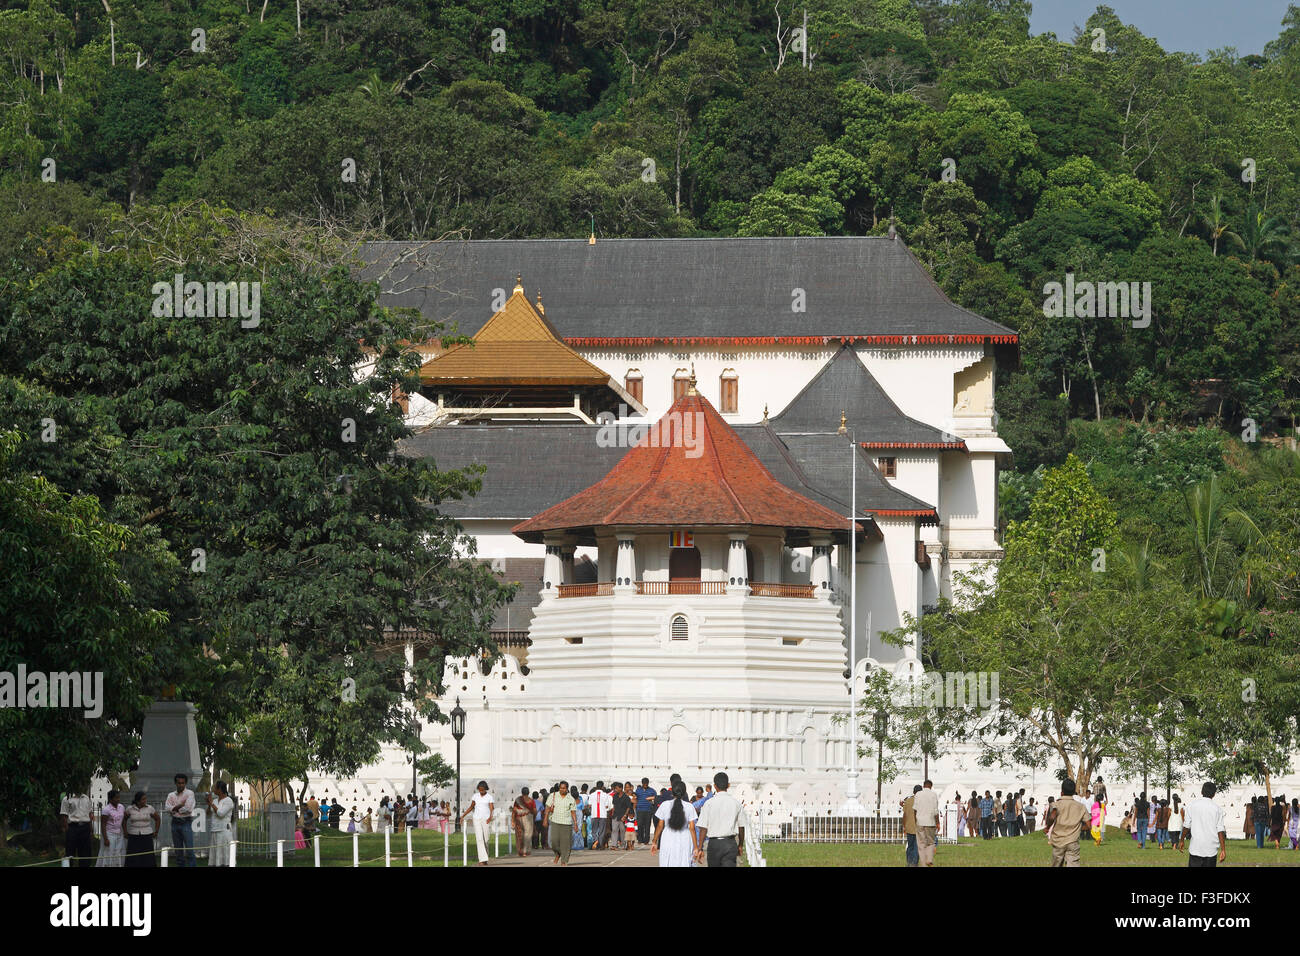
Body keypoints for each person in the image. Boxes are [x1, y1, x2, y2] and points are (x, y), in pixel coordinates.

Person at [696, 771, 745, 867]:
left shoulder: (709, 803)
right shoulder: (736, 803)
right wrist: (740, 845)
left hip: (714, 844)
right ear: (728, 785)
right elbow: (741, 827)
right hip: (729, 843)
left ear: (714, 786)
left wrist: (700, 848)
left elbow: (703, 828)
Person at [651, 781, 699, 867]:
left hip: (668, 838)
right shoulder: (689, 806)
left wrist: (654, 841)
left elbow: (660, 826)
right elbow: (692, 828)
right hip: (684, 838)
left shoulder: (664, 805)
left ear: (672, 792)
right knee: (684, 861)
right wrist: (696, 847)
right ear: (684, 792)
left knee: (667, 862)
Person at [1043, 778, 1088, 867]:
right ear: (1073, 792)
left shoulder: (1057, 804)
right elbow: (1088, 825)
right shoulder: (1081, 806)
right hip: (1073, 841)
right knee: (1073, 863)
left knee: (1057, 863)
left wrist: (1048, 827)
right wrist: (1077, 828)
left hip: (1058, 841)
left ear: (1062, 792)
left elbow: (1052, 817)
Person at [1180, 781, 1226, 867]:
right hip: (1211, 849)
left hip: (1196, 847)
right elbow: (1220, 830)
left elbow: (1186, 826)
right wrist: (1223, 849)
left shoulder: (1192, 806)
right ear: (1214, 794)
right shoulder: (1217, 809)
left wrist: (1182, 840)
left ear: (1201, 792)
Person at [542, 781, 579, 865]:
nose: (562, 790)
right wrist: (545, 819)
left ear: (567, 789)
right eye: (561, 788)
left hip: (567, 823)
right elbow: (547, 808)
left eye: (564, 788)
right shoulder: (553, 796)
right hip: (555, 821)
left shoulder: (571, 798)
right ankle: (558, 853)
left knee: (566, 844)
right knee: (554, 842)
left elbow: (573, 812)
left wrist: (575, 824)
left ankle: (564, 860)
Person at [165, 773, 196, 866]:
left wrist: (174, 809)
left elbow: (188, 808)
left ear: (185, 783)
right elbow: (167, 808)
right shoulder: (171, 795)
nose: (181, 785)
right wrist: (178, 806)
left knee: (189, 850)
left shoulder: (190, 793)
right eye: (179, 783)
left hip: (186, 822)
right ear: (175, 783)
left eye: (183, 783)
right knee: (178, 851)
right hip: (174, 822)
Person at [461, 781, 495, 866]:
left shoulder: (489, 797)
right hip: (476, 819)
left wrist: (490, 817)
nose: (481, 791)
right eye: (479, 790)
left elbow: (491, 808)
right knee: (479, 839)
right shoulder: (475, 796)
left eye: (482, 790)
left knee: (486, 839)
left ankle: (485, 858)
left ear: (485, 789)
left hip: (486, 819)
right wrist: (463, 816)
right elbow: (471, 807)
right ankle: (481, 859)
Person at [124, 791, 160, 868]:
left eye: (145, 799)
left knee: (147, 855)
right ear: (137, 801)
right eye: (143, 799)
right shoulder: (130, 809)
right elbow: (124, 820)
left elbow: (157, 819)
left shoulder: (150, 808)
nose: (145, 801)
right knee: (133, 854)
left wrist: (156, 831)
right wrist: (125, 831)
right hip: (133, 835)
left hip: (147, 834)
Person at [59, 790, 94, 867]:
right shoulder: (67, 799)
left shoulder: (86, 798)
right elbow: (64, 815)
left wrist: (91, 830)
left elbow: (90, 814)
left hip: (85, 827)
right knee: (70, 852)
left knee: (85, 852)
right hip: (72, 827)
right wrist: (67, 829)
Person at [206, 781, 235, 867]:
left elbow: (221, 814)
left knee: (224, 853)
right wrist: (209, 804)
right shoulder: (214, 800)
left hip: (224, 831)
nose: (213, 790)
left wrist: (211, 804)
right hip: (214, 830)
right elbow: (208, 813)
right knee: (215, 854)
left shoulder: (228, 801)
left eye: (215, 788)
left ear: (219, 789)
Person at [95, 790, 126, 868]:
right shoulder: (106, 809)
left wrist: (125, 831)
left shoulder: (121, 807)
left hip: (119, 833)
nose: (118, 799)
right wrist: (105, 839)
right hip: (109, 834)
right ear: (110, 799)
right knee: (108, 853)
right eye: (116, 798)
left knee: (118, 852)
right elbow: (103, 824)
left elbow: (123, 820)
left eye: (119, 797)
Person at [914, 779, 940, 866]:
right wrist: (938, 822)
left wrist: (915, 820)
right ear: (931, 786)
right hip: (930, 821)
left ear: (923, 785)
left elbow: (915, 810)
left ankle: (923, 864)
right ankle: (929, 859)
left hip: (920, 822)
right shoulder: (933, 795)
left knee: (921, 844)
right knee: (931, 842)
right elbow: (936, 811)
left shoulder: (918, 794)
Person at [510, 787, 535, 857]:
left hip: (518, 818)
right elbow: (534, 810)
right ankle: (526, 851)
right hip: (528, 818)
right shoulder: (531, 800)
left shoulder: (518, 800)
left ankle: (520, 851)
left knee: (519, 835)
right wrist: (534, 817)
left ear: (522, 792)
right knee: (528, 835)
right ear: (529, 792)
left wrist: (512, 820)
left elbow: (514, 810)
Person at [901, 785, 920, 866]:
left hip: (908, 827)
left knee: (910, 846)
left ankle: (909, 862)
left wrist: (904, 826)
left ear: (913, 791)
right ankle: (914, 863)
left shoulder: (908, 801)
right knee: (916, 847)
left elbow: (904, 815)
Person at [634, 777, 656, 845]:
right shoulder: (638, 790)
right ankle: (640, 839)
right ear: (642, 783)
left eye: (646, 784)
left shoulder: (652, 790)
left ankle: (646, 840)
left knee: (647, 825)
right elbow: (635, 797)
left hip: (648, 810)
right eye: (644, 784)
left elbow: (656, 797)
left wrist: (651, 798)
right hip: (639, 810)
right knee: (640, 825)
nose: (645, 785)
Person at [589, 781, 610, 850]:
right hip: (603, 815)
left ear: (596, 786)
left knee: (594, 830)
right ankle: (600, 844)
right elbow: (606, 806)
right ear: (602, 787)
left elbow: (590, 805)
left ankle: (595, 840)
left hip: (594, 814)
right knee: (602, 831)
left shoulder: (591, 795)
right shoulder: (605, 795)